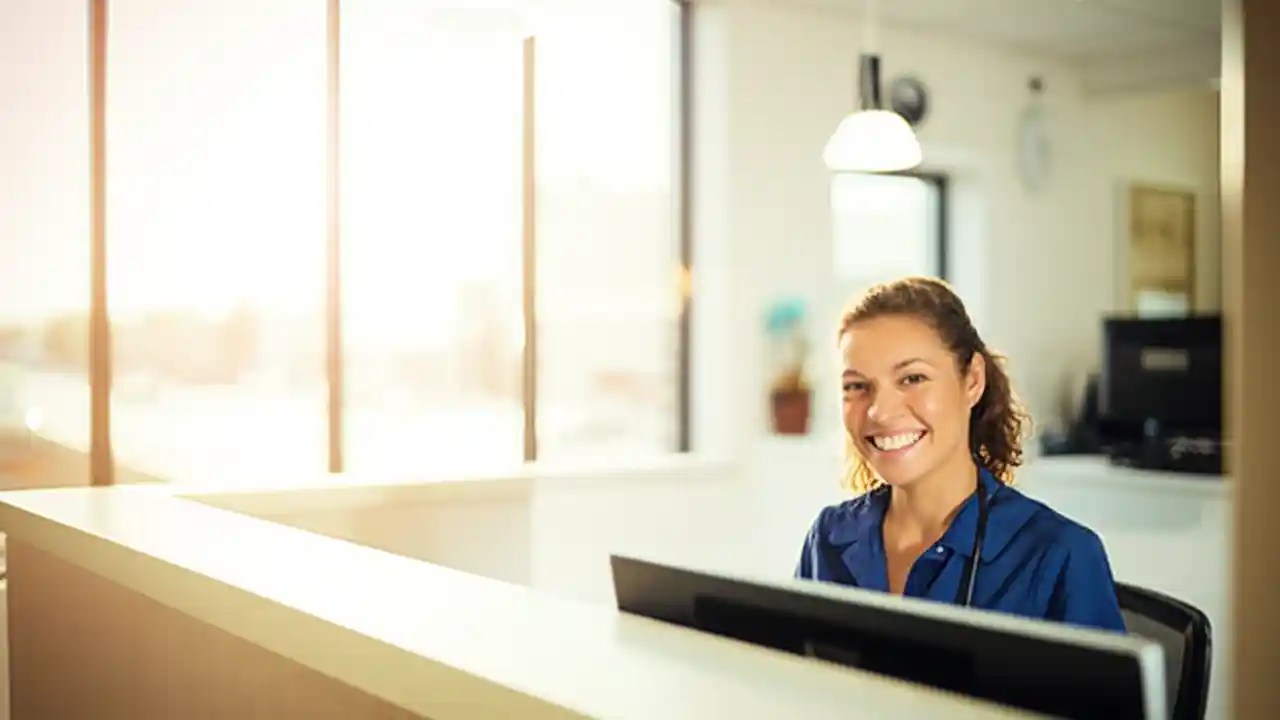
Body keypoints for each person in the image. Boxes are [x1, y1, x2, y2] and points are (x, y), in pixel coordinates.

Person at [795, 276, 1125, 632]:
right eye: (857, 386)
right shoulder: (829, 539)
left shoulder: (1060, 556)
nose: (880, 412)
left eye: (912, 378)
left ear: (973, 381)